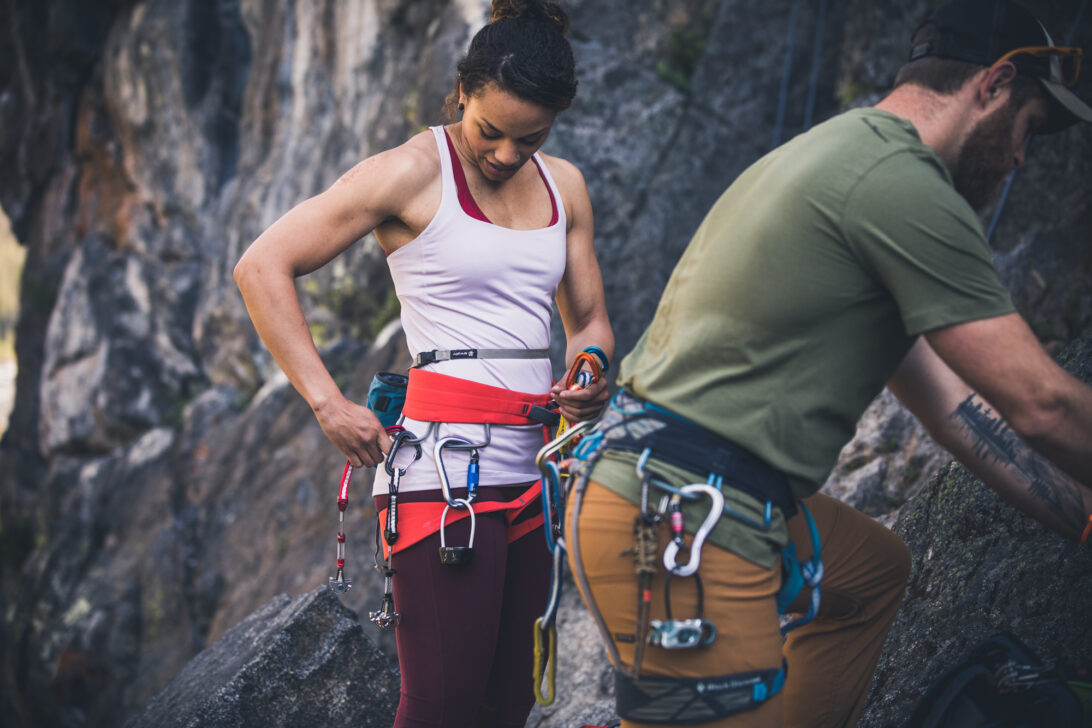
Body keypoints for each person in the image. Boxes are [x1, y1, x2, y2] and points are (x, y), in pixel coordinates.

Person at [563, 1, 1092, 726]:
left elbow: (956, 412)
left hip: (658, 491)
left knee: (872, 573)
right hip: (682, 513)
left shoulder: (840, 156)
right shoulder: (902, 185)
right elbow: (1043, 403)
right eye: (1027, 127)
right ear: (994, 85)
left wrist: (1084, 516)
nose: (1021, 157)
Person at [234, 1, 614, 725]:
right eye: (490, 131)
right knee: (439, 708)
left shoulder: (565, 186)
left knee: (507, 706)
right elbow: (262, 266)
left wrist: (590, 368)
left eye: (528, 138)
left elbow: (588, 319)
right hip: (443, 477)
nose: (505, 155)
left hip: (536, 477)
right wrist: (327, 403)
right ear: (462, 90)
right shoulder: (409, 174)